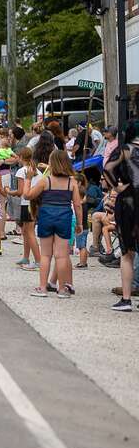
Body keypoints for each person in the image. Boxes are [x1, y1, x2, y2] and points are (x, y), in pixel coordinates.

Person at [24, 150, 82, 298]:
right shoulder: (72, 182)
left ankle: (43, 288)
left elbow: (27, 195)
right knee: (61, 256)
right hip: (64, 217)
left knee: (45, 255)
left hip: (46, 217)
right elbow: (77, 205)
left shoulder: (46, 181)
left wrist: (28, 179)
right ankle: (62, 290)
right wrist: (80, 223)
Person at [103, 121, 139, 311]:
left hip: (128, 202)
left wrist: (117, 186)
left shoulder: (125, 150)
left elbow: (107, 168)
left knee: (127, 253)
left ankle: (126, 299)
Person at [10, 147, 41, 270]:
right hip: (35, 202)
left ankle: (38, 260)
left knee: (29, 232)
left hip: (26, 203)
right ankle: (26, 256)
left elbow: (20, 191)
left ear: (21, 157)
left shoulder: (21, 171)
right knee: (27, 231)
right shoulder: (36, 170)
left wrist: (9, 192)